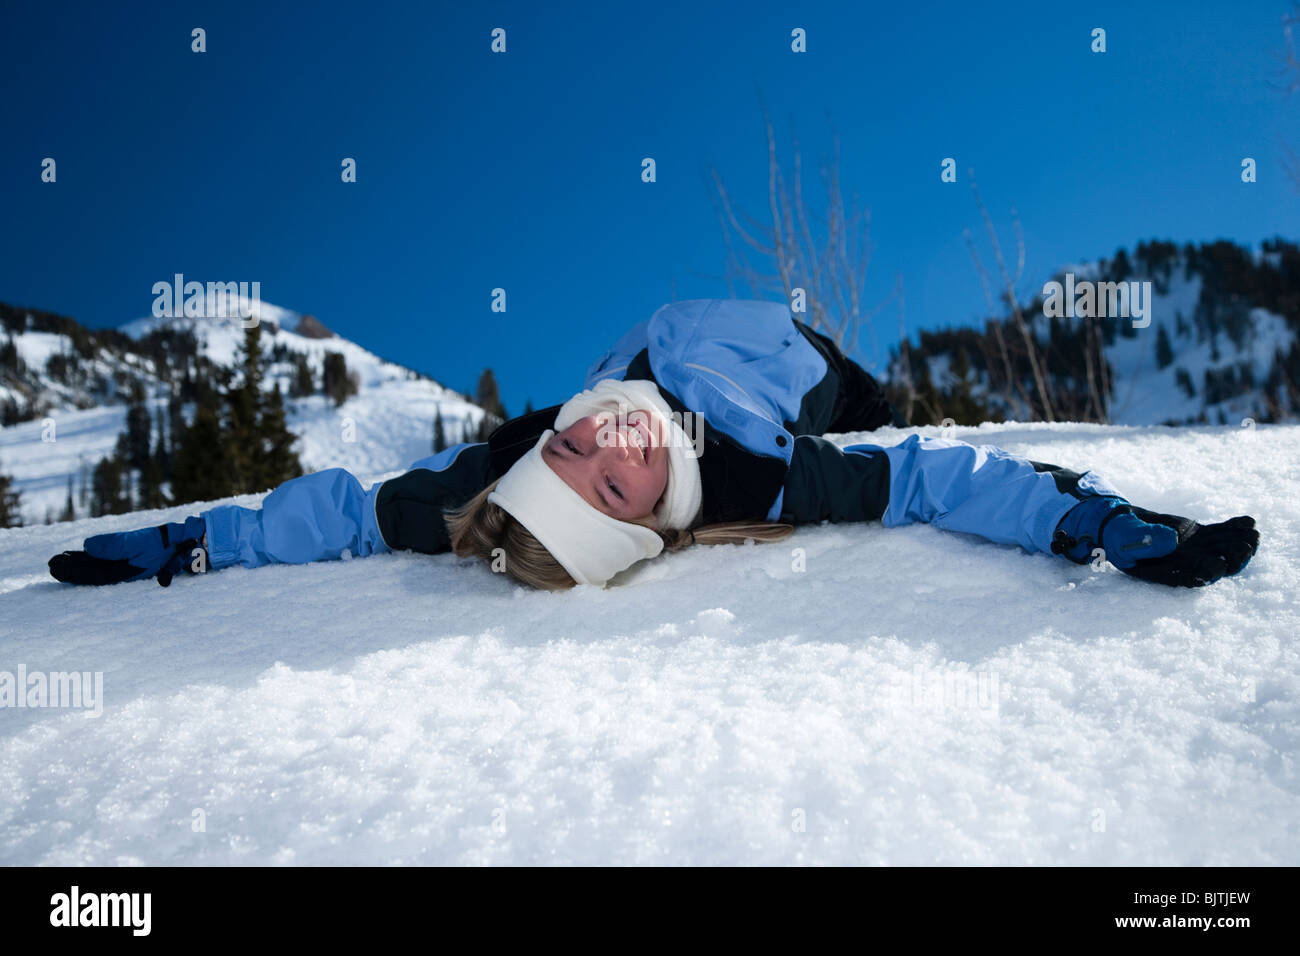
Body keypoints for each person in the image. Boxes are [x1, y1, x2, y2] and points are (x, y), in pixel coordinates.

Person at [48, 299, 1259, 591]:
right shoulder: (768, 474)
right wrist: (1088, 518)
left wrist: (193, 538)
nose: (598, 441)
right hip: (814, 364)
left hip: (682, 324)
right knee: (899, 409)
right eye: (610, 476)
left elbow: (345, 513)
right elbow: (940, 479)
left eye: (567, 453)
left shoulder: (510, 455)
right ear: (646, 517)